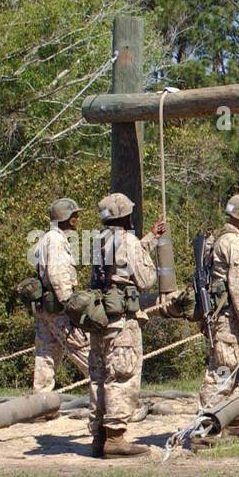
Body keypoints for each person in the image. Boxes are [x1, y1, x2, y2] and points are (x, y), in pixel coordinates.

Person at [88, 193, 160, 458]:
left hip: (100, 318)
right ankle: (116, 438)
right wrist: (148, 253)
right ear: (126, 215)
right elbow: (145, 279)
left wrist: (150, 240)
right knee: (122, 374)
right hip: (122, 322)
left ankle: (99, 436)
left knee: (99, 376)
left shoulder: (98, 240)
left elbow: (116, 266)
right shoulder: (128, 240)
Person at [193, 193, 239, 445]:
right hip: (229, 320)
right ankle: (207, 427)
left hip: (220, 317)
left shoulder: (217, 239)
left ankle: (232, 421)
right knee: (224, 374)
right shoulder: (234, 243)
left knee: (236, 371)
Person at [31, 198, 90, 395]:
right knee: (82, 347)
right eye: (75, 215)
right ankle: (107, 391)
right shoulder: (55, 240)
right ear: (67, 219)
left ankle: (41, 402)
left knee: (45, 355)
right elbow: (57, 274)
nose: (78, 219)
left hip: (46, 307)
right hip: (59, 308)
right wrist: (70, 305)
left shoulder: (46, 238)